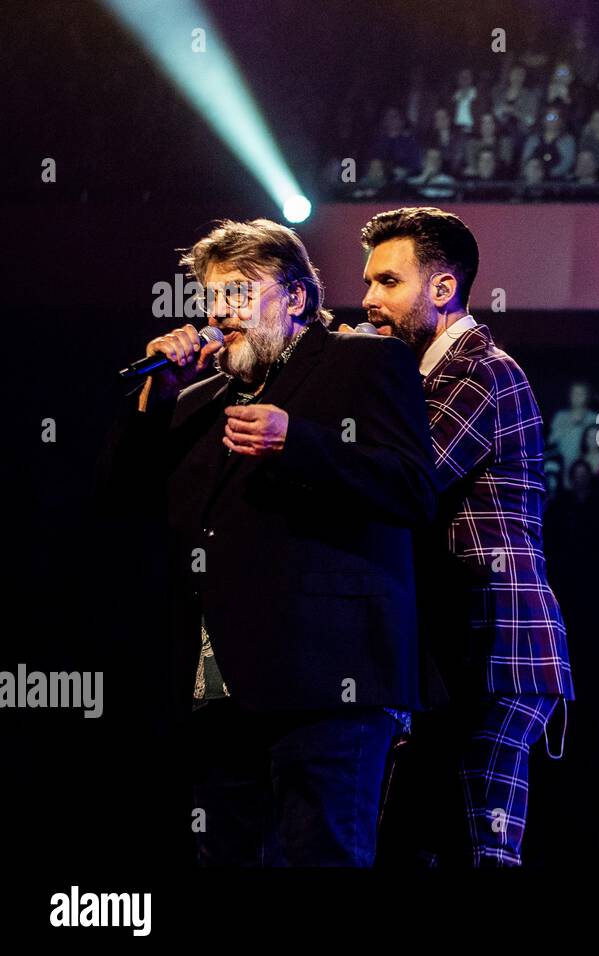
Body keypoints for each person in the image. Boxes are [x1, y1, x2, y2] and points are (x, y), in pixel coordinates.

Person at [98, 219, 440, 866]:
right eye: (211, 296)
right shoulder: (196, 398)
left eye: (240, 291)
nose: (220, 311)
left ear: (296, 298)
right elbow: (122, 502)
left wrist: (301, 443)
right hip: (217, 689)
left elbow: (413, 490)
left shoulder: (364, 362)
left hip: (328, 679)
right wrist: (155, 398)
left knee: (323, 858)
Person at [356, 207, 575, 866]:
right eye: (367, 282)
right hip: (469, 648)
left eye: (387, 282)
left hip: (499, 646)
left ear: (443, 289)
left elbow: (405, 481)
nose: (368, 300)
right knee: (429, 841)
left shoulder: (480, 370)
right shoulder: (429, 377)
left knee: (483, 849)